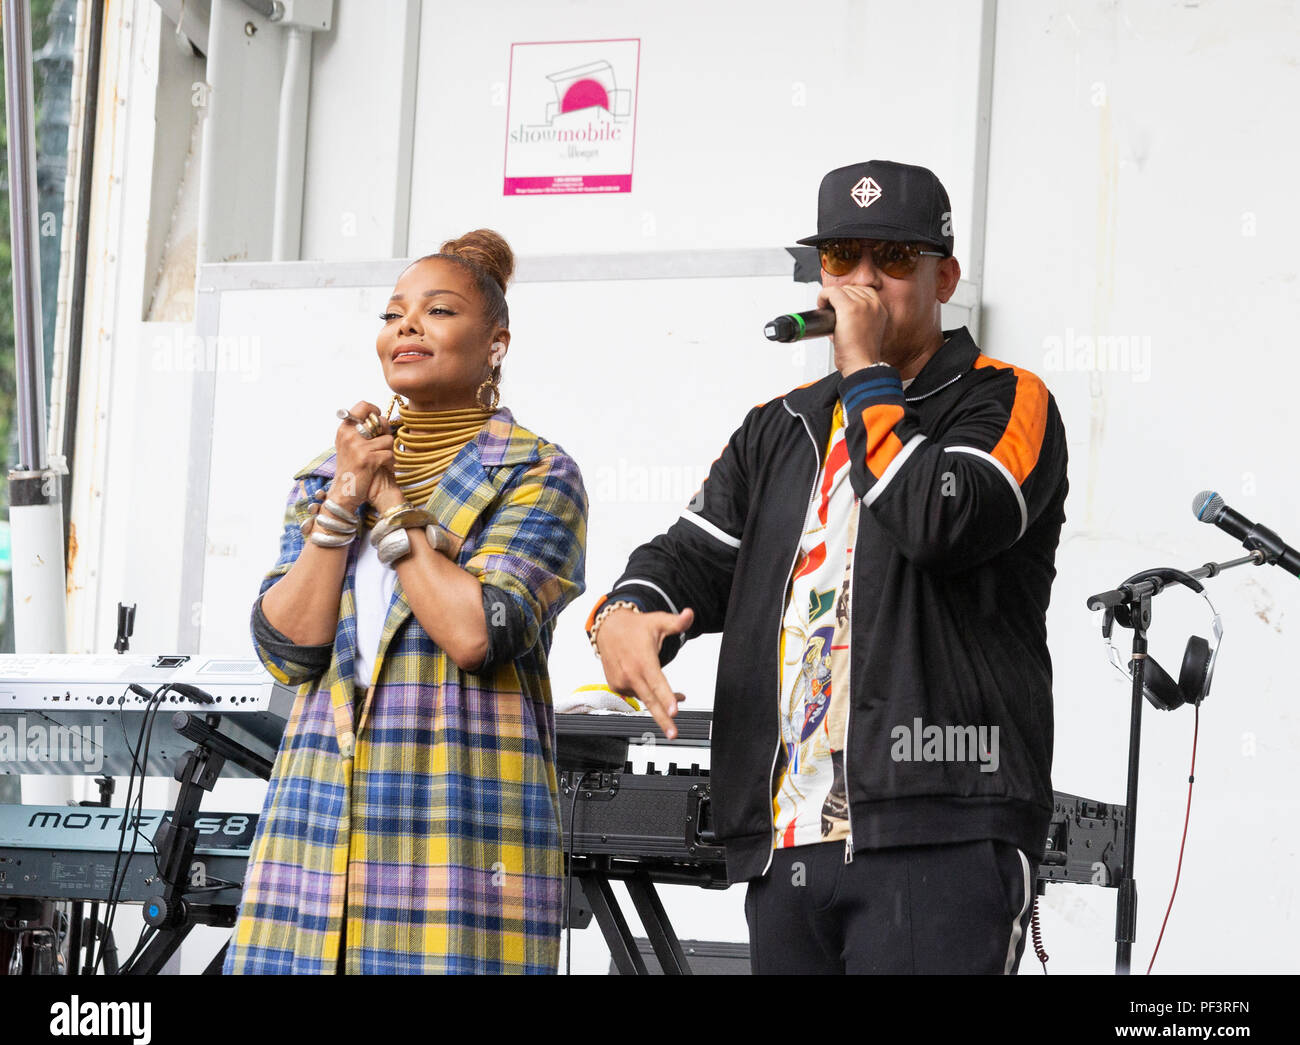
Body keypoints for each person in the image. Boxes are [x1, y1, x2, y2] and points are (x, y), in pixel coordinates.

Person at [588, 161, 1069, 975]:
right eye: (843, 257)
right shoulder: (778, 428)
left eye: (893, 259)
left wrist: (864, 374)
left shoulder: (1006, 400)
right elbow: (690, 557)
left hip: (941, 823)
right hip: (788, 842)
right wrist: (628, 611)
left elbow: (938, 518)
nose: (864, 282)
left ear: (944, 276)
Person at [225, 229, 588, 975]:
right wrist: (343, 503)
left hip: (457, 818)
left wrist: (390, 503)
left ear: (496, 343)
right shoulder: (325, 475)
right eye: (393, 315)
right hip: (318, 815)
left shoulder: (538, 473)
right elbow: (287, 649)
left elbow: (477, 630)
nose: (407, 327)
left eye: (438, 311)